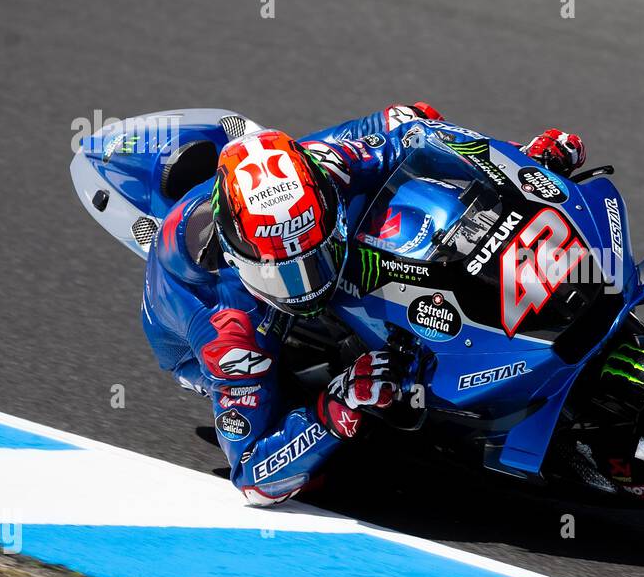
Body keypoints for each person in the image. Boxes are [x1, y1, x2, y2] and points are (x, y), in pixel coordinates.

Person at [141, 102, 584, 505]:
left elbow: (413, 135)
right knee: (350, 466)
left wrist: (520, 161)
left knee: (412, 115)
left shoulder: (329, 168)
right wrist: (341, 403)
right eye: (286, 272)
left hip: (310, 202)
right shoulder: (227, 328)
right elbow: (253, 475)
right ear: (243, 258)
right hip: (208, 332)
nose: (307, 285)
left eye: (314, 258)